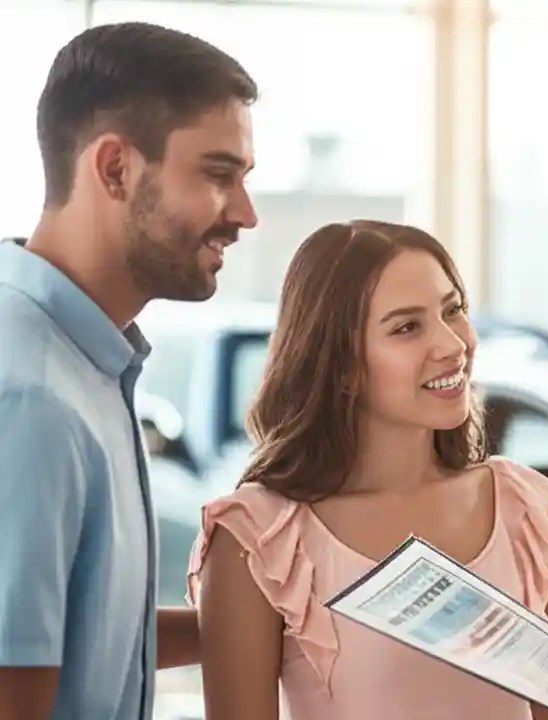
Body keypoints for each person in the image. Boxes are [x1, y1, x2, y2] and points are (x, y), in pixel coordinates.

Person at [188, 220, 548, 720]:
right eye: (407, 327)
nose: (453, 344)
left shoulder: (521, 508)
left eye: (453, 311)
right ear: (337, 363)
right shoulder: (260, 538)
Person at [0, 22, 257, 720]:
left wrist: (280, 628)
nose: (246, 214)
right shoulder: (28, 394)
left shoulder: (85, 364)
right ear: (115, 168)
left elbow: (90, 641)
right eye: (218, 175)